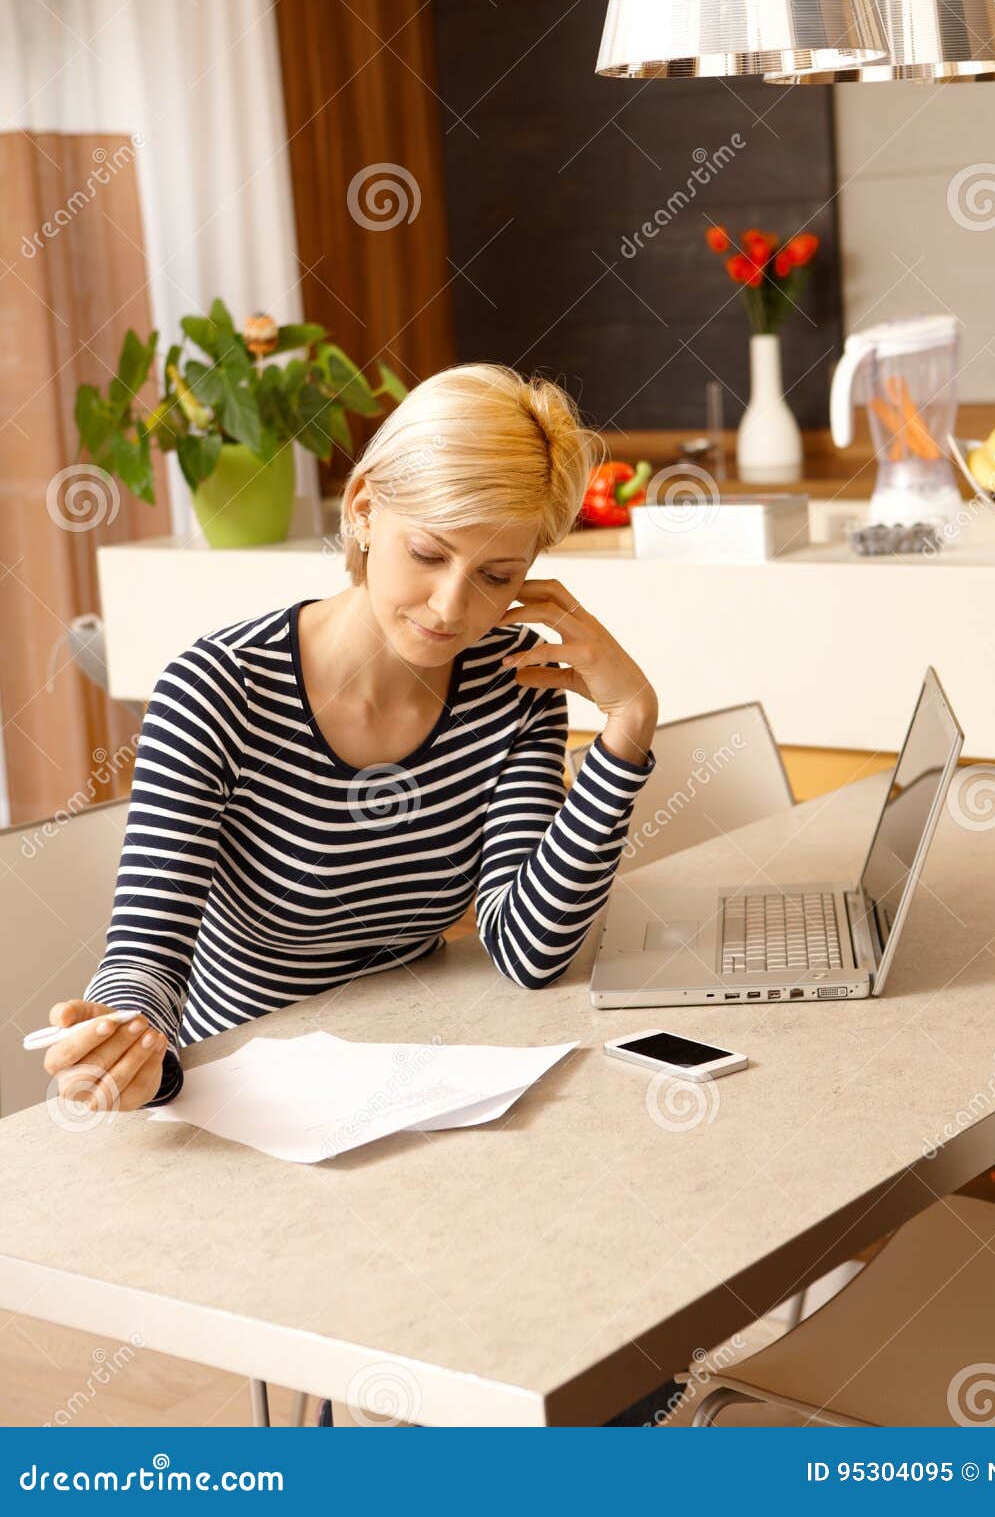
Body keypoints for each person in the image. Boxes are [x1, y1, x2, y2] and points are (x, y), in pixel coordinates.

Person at [43, 362, 659, 1119]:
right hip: (242, 1085)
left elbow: (529, 950)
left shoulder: (512, 680)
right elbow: (145, 955)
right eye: (428, 555)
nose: (451, 607)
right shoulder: (216, 690)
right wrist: (129, 1038)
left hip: (424, 1072)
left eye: (497, 576)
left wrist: (627, 726)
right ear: (365, 508)